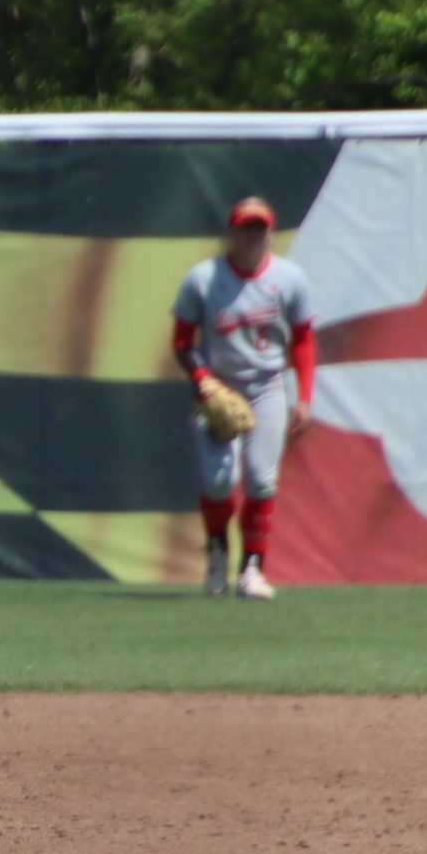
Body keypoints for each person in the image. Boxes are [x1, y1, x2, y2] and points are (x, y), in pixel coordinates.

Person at [172, 196, 316, 600]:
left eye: (260, 227)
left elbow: (304, 339)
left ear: (270, 231)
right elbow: (182, 341)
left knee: (260, 478)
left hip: (267, 386)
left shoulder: (289, 278)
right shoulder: (203, 278)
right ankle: (217, 554)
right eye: (246, 227)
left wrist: (304, 396)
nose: (253, 234)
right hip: (217, 387)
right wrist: (201, 379)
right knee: (219, 482)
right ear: (232, 231)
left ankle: (252, 568)